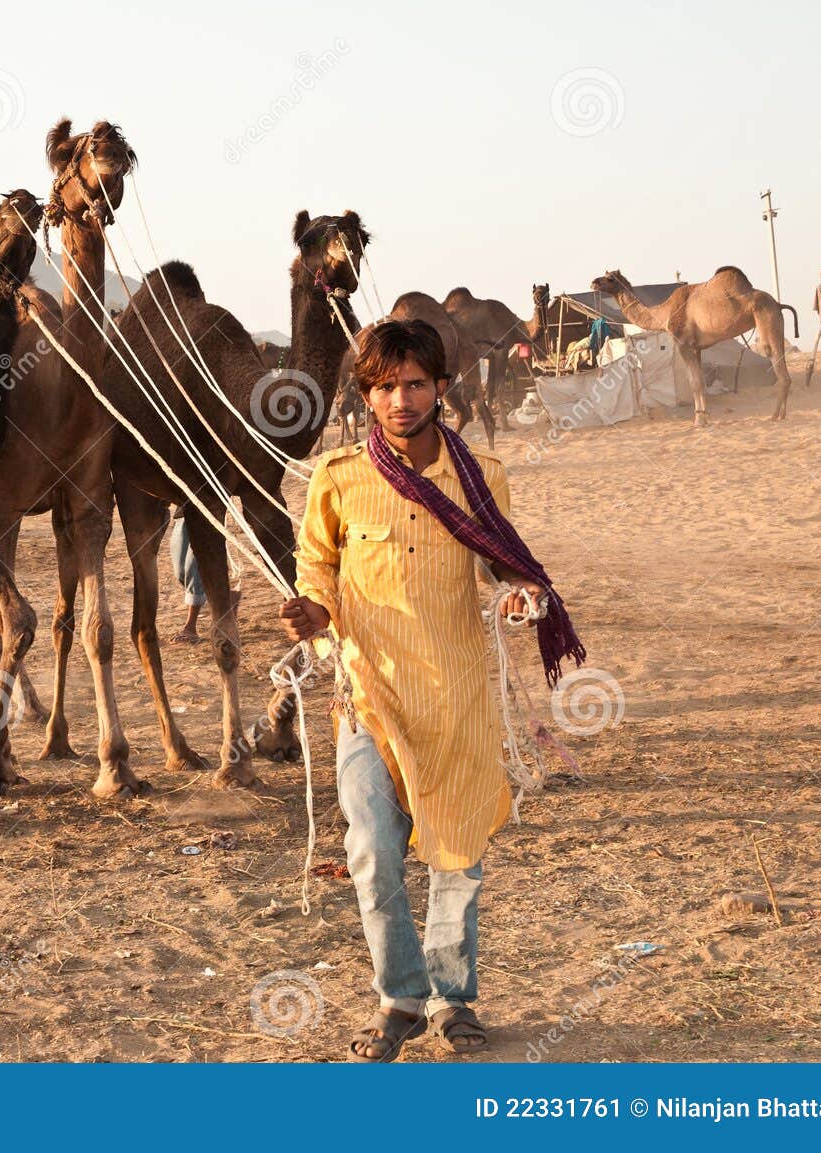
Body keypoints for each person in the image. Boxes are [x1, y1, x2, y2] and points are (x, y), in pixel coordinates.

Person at [279, 319, 584, 1062]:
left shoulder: (480, 474)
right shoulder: (338, 477)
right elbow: (315, 569)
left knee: (456, 852)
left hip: (454, 694)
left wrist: (519, 595)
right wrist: (312, 610)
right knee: (373, 851)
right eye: (385, 386)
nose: (401, 399)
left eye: (415, 383)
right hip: (367, 697)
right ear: (367, 394)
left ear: (440, 388)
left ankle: (452, 1001)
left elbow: (506, 563)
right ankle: (400, 997)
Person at [169, 509, 240, 643]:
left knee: (194, 565)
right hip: (182, 512)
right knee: (180, 571)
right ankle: (226, 598)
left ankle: (190, 627)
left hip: (207, 508)